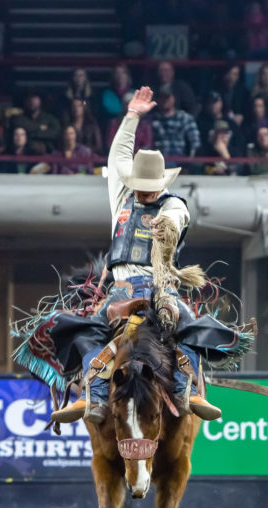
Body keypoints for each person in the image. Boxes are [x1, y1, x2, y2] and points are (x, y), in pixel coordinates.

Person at [49, 85, 222, 424]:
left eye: (147, 185)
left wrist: (166, 227)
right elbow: (117, 156)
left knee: (190, 326)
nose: (141, 190)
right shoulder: (122, 196)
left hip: (161, 289)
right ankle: (92, 398)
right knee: (85, 329)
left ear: (161, 184)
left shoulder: (172, 204)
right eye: (137, 183)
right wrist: (130, 117)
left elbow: (178, 217)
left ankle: (187, 389)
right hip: (121, 288)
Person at [150, 85, 200, 166]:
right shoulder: (152, 120)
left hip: (179, 165)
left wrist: (189, 163)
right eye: (161, 97)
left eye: (167, 97)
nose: (164, 100)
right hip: (157, 165)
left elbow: (195, 143)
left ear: (174, 98)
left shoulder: (185, 118)